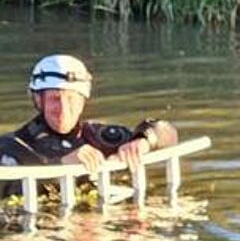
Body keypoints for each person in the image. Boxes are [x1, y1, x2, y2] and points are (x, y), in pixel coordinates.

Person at [0, 54, 178, 181]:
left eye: (71, 99)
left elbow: (167, 133)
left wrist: (143, 141)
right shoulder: (12, 147)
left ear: (83, 102)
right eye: (55, 98)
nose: (63, 108)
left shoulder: (98, 137)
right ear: (39, 100)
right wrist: (61, 165)